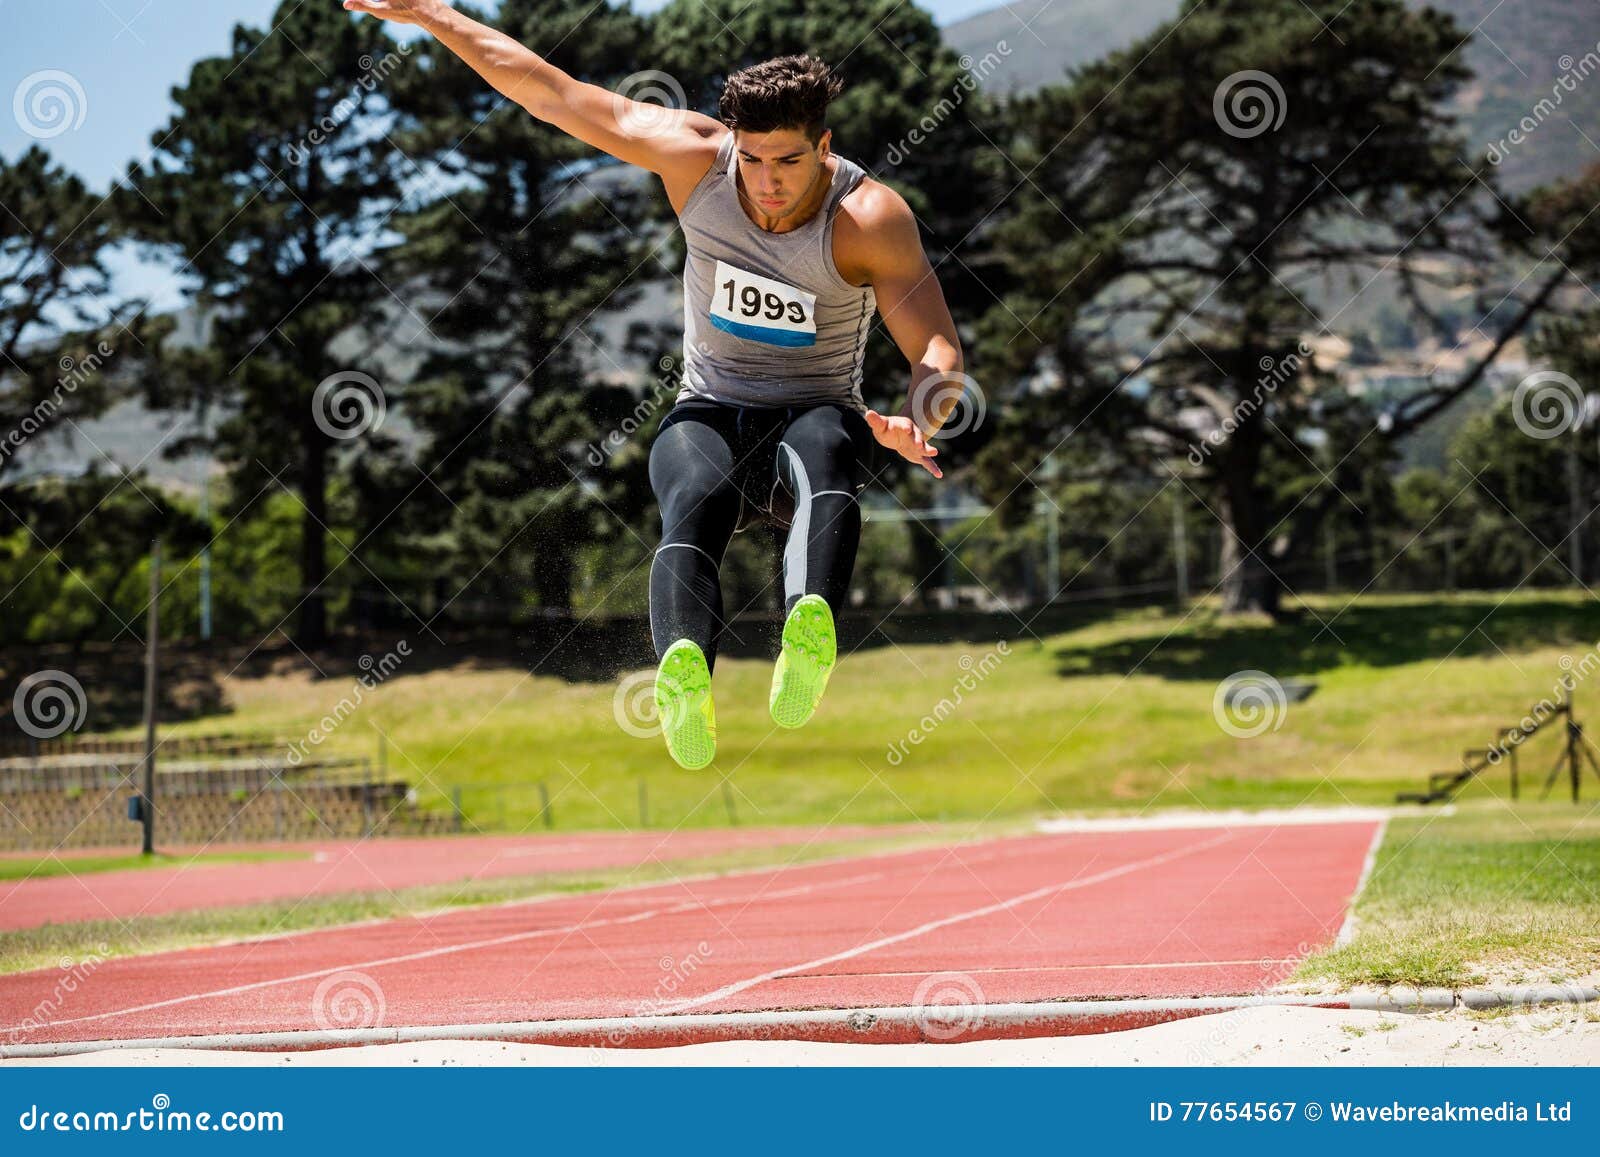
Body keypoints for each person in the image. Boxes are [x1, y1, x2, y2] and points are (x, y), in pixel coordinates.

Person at [342, 2, 966, 769]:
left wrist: (921, 415)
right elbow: (553, 93)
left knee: (828, 445)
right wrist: (437, 16)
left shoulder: (868, 217)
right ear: (731, 143)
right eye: (754, 161)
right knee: (691, 499)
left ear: (824, 146)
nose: (768, 186)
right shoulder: (693, 159)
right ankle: (684, 679)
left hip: (811, 414)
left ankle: (808, 627)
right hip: (706, 408)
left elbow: (935, 345)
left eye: (790, 163)